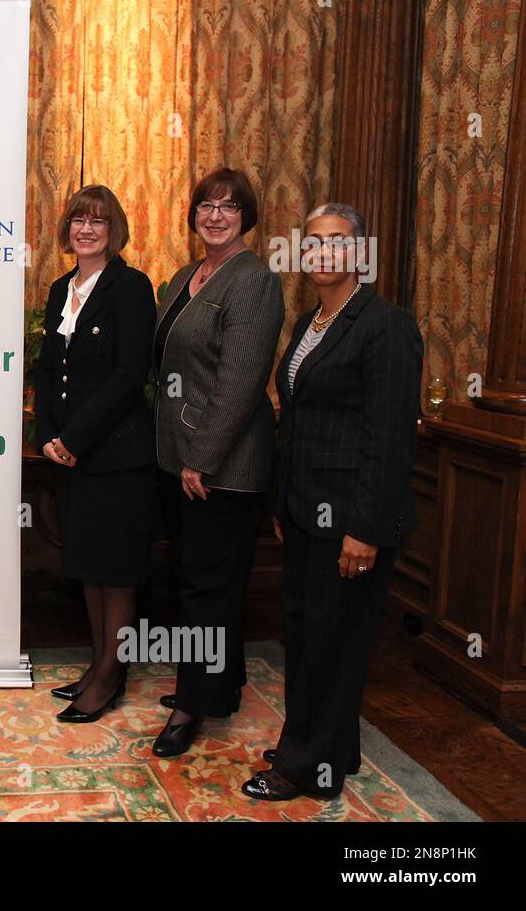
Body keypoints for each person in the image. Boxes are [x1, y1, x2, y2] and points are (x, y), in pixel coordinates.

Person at [243, 203, 422, 801]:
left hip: (351, 520)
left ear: (360, 255)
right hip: (304, 511)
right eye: (312, 243)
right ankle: (330, 747)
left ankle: (303, 768)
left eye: (336, 242)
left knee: (331, 645)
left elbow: (389, 438)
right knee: (309, 634)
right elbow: (296, 420)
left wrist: (364, 530)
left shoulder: (385, 326)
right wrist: (282, 500)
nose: (322, 252)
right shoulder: (309, 324)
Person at [152, 167, 285, 757]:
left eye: (229, 208)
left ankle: (192, 704)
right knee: (193, 577)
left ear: (246, 217)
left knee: (208, 586)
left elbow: (240, 381)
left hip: (223, 467)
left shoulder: (254, 281)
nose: (215, 215)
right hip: (179, 457)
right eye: (206, 205)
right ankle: (220, 681)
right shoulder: (186, 276)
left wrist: (202, 460)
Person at [32, 185, 157, 723]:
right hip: (69, 455)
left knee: (116, 571)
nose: (87, 229)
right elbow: (47, 370)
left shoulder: (131, 287)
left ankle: (110, 674)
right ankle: (99, 661)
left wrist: (75, 439)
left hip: (117, 455)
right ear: (68, 229)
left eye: (98, 221)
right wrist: (46, 436)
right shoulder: (62, 288)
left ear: (114, 230)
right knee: (85, 565)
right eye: (79, 220)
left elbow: (130, 375)